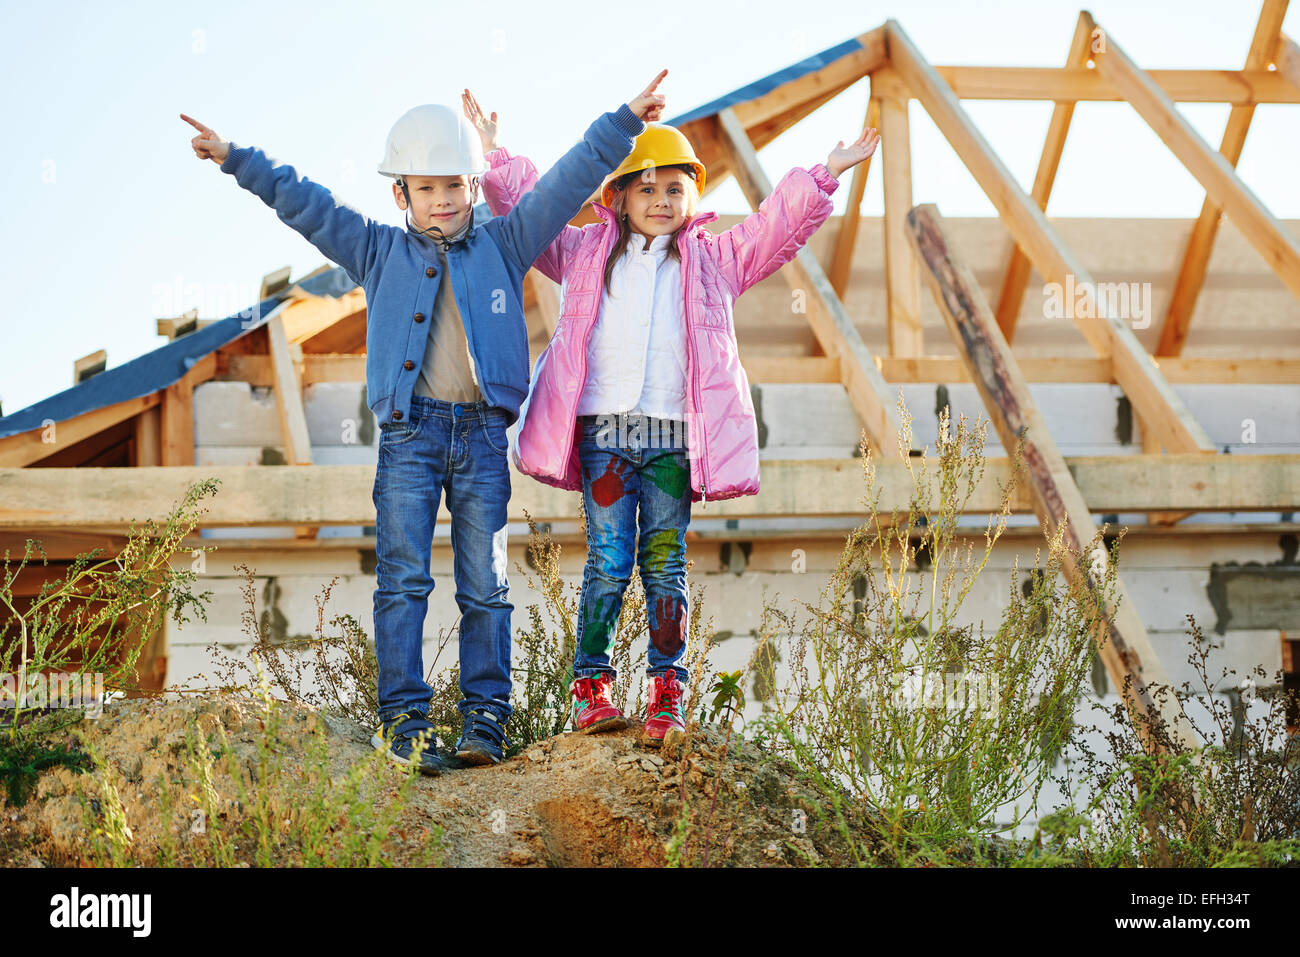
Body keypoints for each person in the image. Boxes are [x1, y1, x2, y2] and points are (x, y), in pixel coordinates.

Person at [180, 72, 666, 772]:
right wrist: (236, 158)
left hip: (479, 438)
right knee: (403, 579)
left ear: (474, 185)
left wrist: (622, 121)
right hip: (409, 439)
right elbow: (304, 203)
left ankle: (484, 724)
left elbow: (567, 181)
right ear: (400, 194)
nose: (443, 201)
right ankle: (404, 723)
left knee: (486, 587)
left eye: (455, 186)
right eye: (427, 188)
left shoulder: (506, 241)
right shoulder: (376, 250)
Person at [469, 91, 879, 745]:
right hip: (604, 435)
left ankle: (668, 691)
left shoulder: (713, 261)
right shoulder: (580, 254)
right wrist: (496, 154)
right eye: (649, 189)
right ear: (621, 195)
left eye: (675, 189)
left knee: (665, 564)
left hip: (669, 440)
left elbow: (774, 227)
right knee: (607, 561)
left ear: (692, 197)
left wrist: (826, 172)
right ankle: (593, 687)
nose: (662, 201)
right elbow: (530, 211)